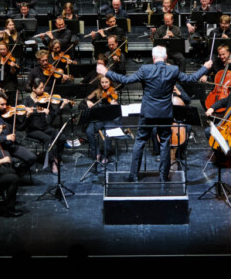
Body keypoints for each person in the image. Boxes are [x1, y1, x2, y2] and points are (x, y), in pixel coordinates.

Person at [98, 46, 211, 181]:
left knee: (139, 142)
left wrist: (106, 72)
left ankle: (133, 175)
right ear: (166, 57)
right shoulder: (173, 70)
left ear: (153, 58)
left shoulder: (146, 69)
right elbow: (192, 79)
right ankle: (163, 177)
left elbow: (125, 80)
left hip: (148, 114)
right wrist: (205, 67)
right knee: (164, 143)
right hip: (165, 114)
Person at [83, 74, 121, 162]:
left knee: (107, 133)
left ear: (110, 82)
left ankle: (106, 155)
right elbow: (85, 99)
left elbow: (116, 110)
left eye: (106, 82)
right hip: (97, 118)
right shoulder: (97, 92)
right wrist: (88, 102)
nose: (104, 84)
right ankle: (96, 153)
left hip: (108, 119)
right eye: (102, 82)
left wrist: (114, 105)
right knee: (89, 131)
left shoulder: (113, 92)